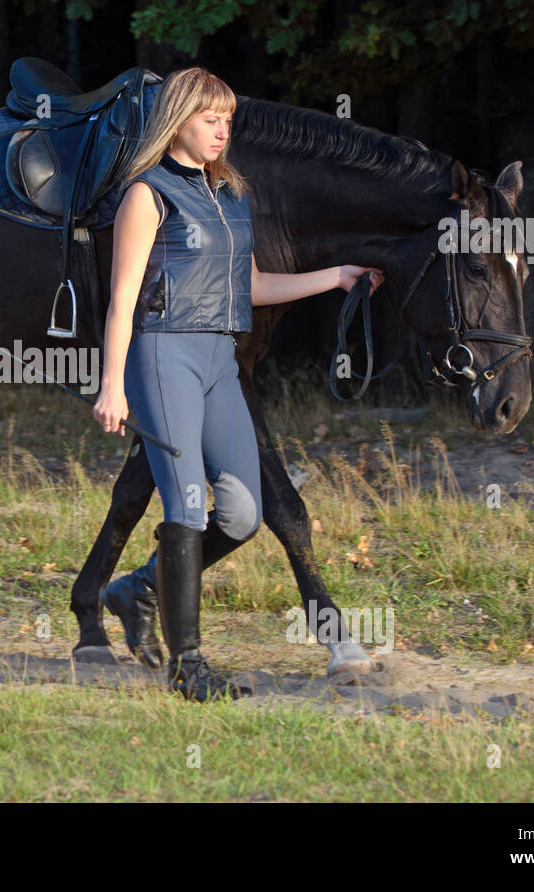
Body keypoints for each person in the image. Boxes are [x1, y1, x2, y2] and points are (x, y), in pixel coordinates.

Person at [92, 66, 382, 702]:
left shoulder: (232, 195)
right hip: (163, 355)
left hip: (221, 358)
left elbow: (252, 288)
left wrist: (334, 277)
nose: (223, 131)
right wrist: (112, 383)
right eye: (209, 119)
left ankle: (135, 589)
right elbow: (121, 298)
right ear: (178, 122)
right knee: (188, 508)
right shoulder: (147, 194)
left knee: (245, 513)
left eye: (227, 119)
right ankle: (187, 666)